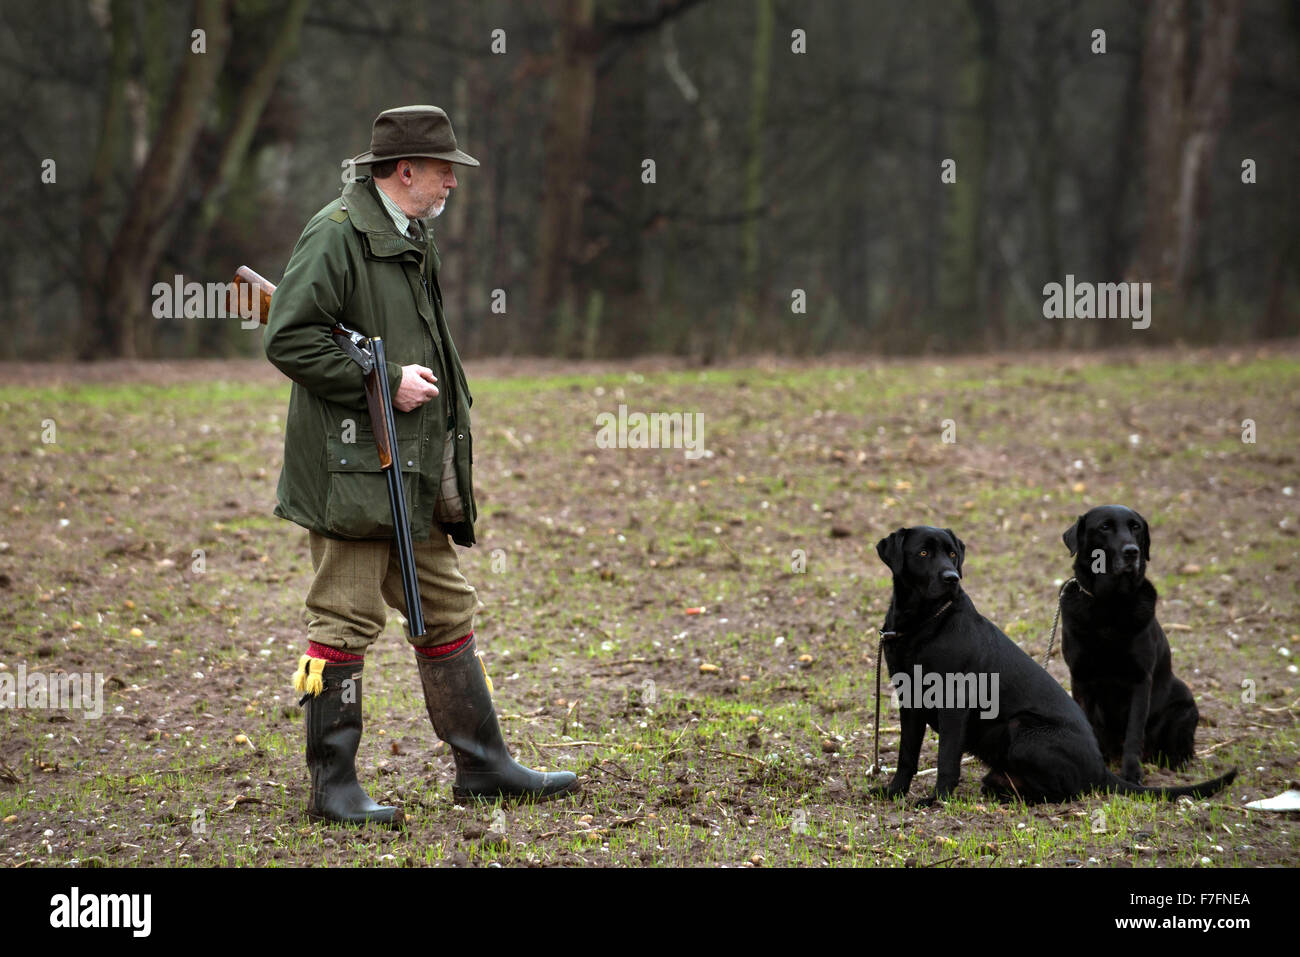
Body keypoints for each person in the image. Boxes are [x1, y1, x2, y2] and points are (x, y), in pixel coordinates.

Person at [264, 105, 578, 827]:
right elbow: (290, 339)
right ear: (405, 172)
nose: (452, 184)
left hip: (406, 473)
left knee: (444, 606)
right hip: (351, 473)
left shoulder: (409, 235)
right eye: (444, 171)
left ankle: (483, 765)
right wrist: (381, 379)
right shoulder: (337, 235)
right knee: (343, 619)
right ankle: (332, 787)